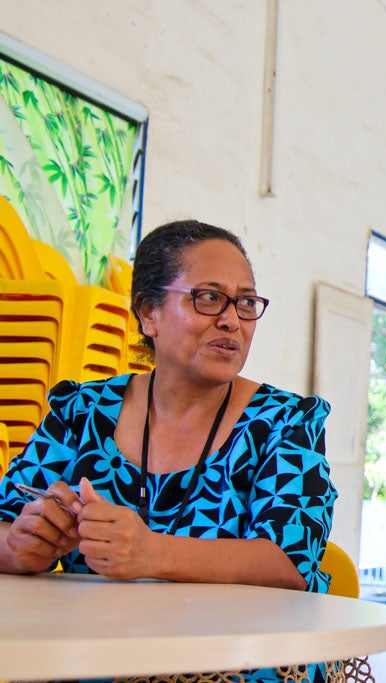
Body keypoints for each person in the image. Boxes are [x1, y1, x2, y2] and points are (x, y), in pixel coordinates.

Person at [0, 220, 337, 681]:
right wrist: (23, 547)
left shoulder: (284, 422)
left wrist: (151, 553)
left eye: (245, 302)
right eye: (208, 297)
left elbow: (290, 561)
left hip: (238, 664)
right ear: (148, 313)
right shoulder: (82, 411)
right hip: (94, 656)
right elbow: (6, 523)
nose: (231, 319)